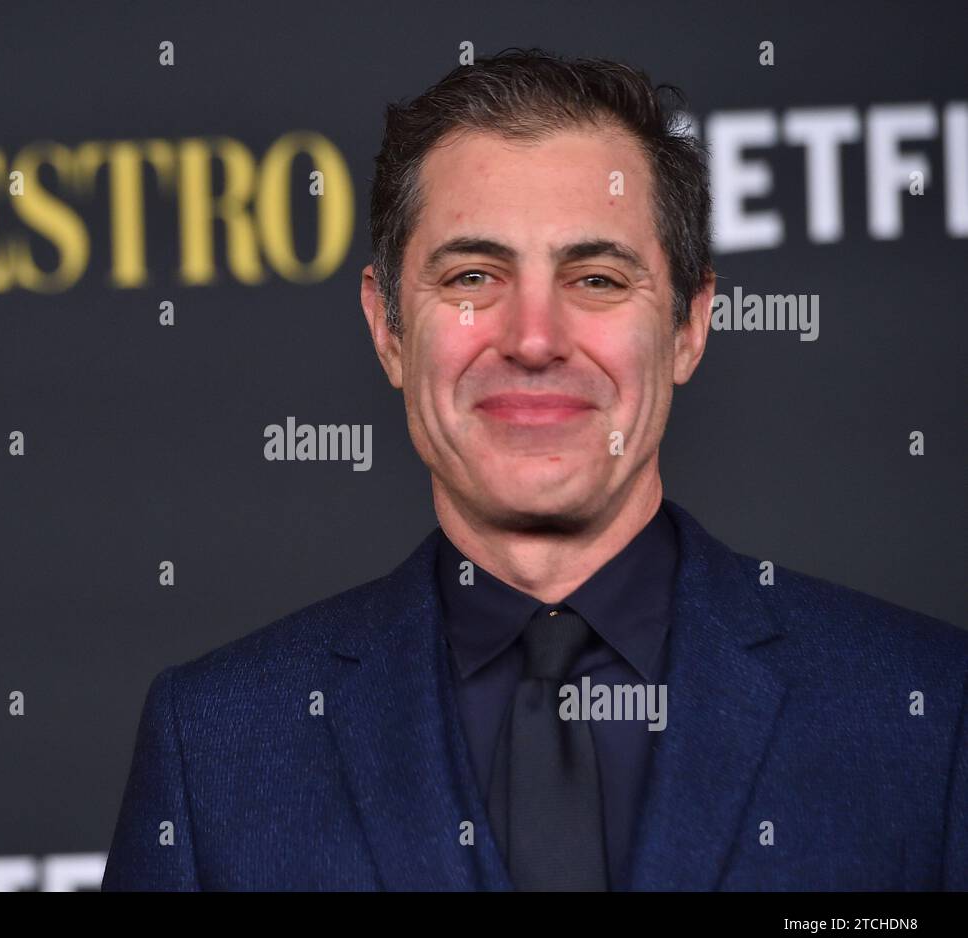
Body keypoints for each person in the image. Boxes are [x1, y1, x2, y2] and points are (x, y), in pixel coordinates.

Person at [101, 47, 967, 891]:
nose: (534, 340)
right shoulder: (216, 749)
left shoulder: (925, 714)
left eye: (595, 278)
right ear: (387, 327)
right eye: (473, 275)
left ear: (691, 326)